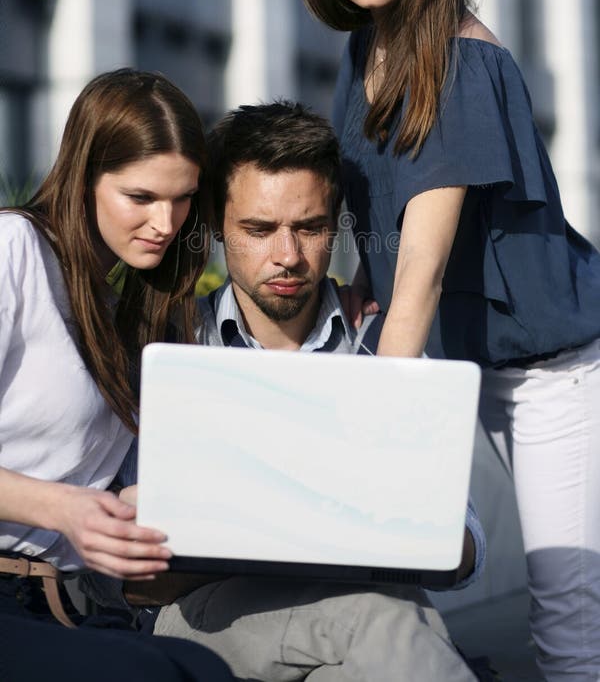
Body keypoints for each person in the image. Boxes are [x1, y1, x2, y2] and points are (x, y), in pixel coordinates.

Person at [290, 0, 600, 682]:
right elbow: (379, 225)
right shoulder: (368, 45)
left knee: (569, 615)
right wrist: (352, 288)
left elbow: (422, 263)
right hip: (472, 358)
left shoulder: (458, 61)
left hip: (555, 372)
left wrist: (371, 422)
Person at [137, 100, 484, 682]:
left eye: (310, 227)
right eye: (259, 229)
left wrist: (412, 531)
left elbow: (465, 550)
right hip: (209, 620)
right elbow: (124, 579)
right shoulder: (173, 350)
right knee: (385, 618)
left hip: (345, 629)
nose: (288, 256)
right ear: (219, 224)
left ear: (337, 225)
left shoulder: (383, 344)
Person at [0, 68, 233, 681]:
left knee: (203, 669)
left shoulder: (119, 307)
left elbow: (89, 483)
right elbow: (65, 499)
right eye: (141, 197)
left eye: (182, 197)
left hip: (67, 604)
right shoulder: (13, 252)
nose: (166, 222)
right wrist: (63, 510)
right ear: (85, 179)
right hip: (15, 594)